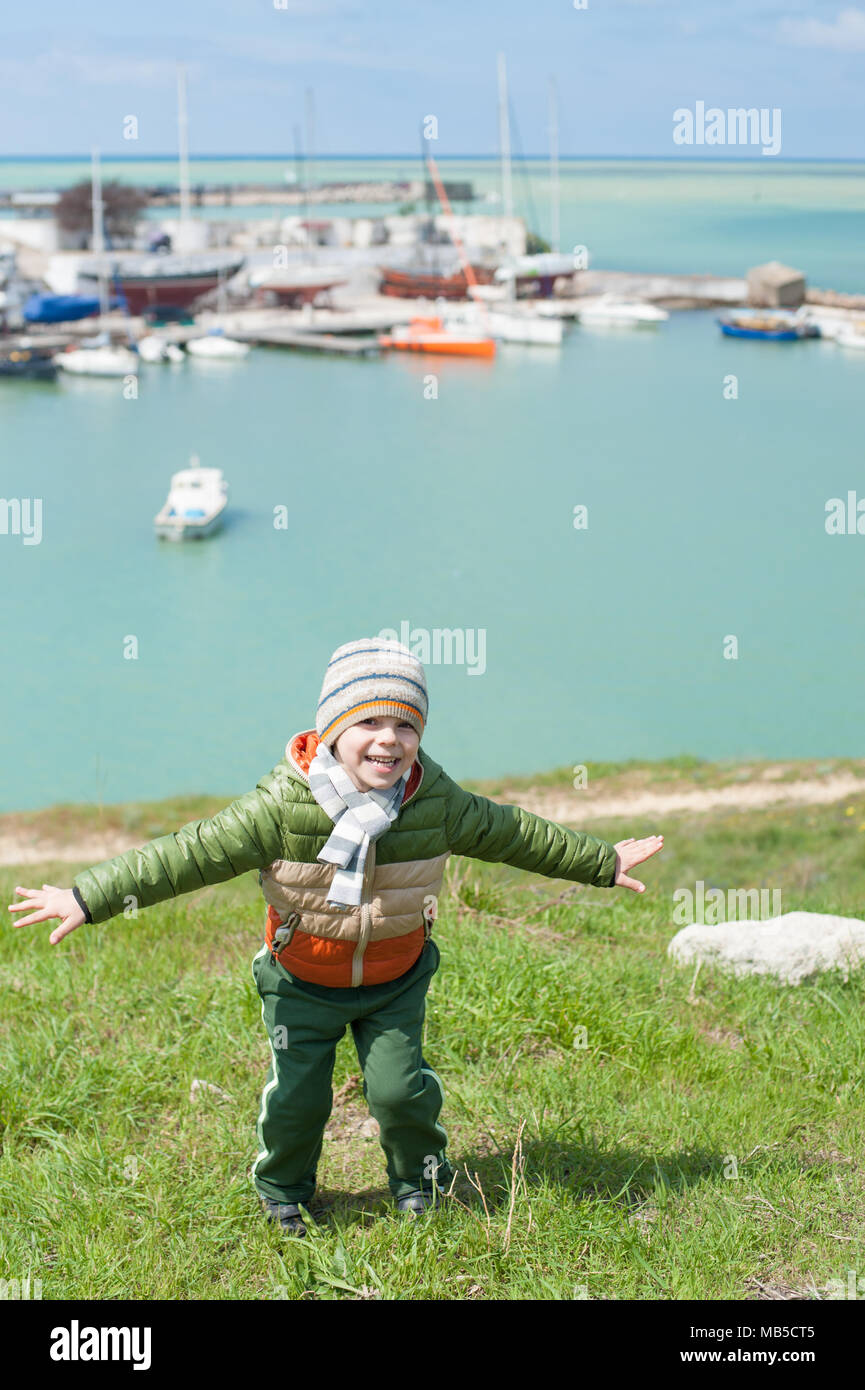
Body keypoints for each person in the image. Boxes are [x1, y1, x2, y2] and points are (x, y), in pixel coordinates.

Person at [8, 637, 663, 1236]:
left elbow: (512, 834)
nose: (389, 739)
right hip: (300, 983)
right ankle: (283, 1191)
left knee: (399, 1090)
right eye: (369, 723)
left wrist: (599, 862)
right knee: (298, 1097)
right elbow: (190, 853)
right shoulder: (283, 805)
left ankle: (419, 1183)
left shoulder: (433, 800)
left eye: (405, 723)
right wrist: (88, 896)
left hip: (395, 979)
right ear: (332, 731)